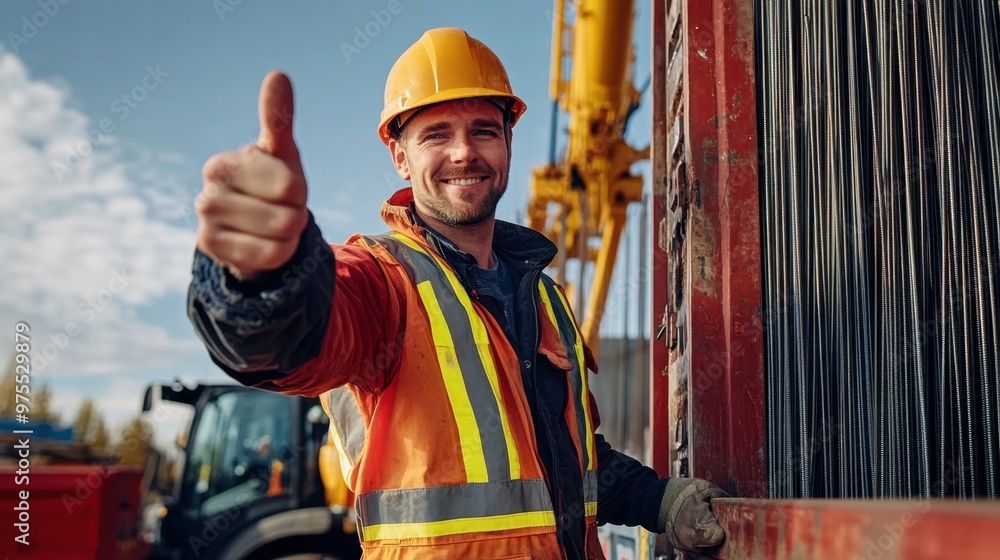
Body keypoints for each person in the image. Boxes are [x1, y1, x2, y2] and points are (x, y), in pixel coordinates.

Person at [188, 27, 726, 559]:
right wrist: (260, 278)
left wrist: (659, 502)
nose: (464, 152)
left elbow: (569, 463)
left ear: (509, 144)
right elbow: (288, 343)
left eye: (484, 131)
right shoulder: (382, 279)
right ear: (400, 157)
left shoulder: (545, 299)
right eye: (436, 134)